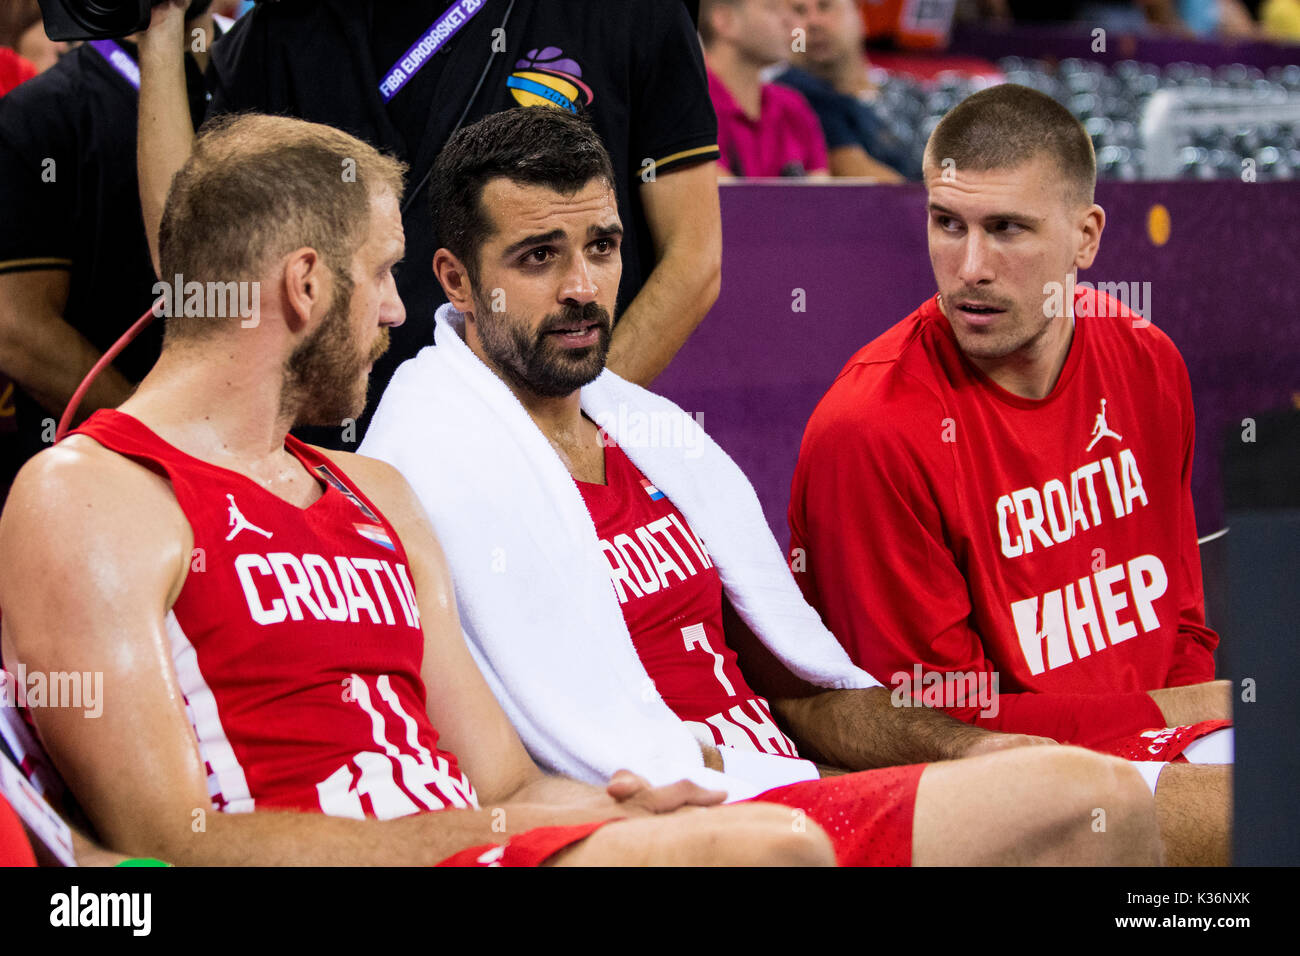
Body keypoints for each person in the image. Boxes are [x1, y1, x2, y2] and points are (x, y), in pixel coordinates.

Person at [0, 112, 838, 868]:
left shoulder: (377, 492)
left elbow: (507, 790)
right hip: (420, 855)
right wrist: (542, 838)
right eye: (383, 274)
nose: (399, 313)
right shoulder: (89, 495)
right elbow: (164, 844)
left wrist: (634, 809)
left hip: (478, 845)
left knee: (793, 830)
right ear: (306, 286)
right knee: (772, 852)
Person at [360, 105, 1166, 866]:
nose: (582, 286)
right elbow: (490, 771)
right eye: (539, 256)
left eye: (602, 248)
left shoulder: (653, 436)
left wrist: (967, 749)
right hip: (717, 824)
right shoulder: (428, 473)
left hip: (803, 787)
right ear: (457, 281)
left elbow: (805, 693)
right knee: (1094, 800)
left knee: (1135, 798)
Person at [788, 83, 1232, 863]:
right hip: (1009, 787)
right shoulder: (871, 429)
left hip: (1170, 742)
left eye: (1007, 231)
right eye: (946, 224)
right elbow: (941, 728)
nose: (970, 268)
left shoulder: (1147, 358)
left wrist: (1191, 721)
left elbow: (1182, 621)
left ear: (1085, 237)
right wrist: (1182, 709)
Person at [138, 0, 723, 460]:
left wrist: (553, 436)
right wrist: (161, 29)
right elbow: (194, 265)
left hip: (547, 455)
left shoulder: (629, 13)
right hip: (339, 465)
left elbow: (694, 260)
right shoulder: (283, 29)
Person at [0, 2, 215, 503]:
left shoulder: (266, 64)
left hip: (266, 459)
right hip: (104, 480)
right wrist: (162, 442)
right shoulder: (43, 111)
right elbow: (17, 328)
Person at [775, 0, 914, 181]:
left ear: (859, 13)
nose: (814, 22)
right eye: (799, 11)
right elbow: (856, 171)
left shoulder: (910, 89)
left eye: (825, 6)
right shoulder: (791, 94)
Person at [699, 0, 830, 178]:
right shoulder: (687, 105)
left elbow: (821, 198)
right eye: (772, 8)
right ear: (724, 20)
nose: (793, 22)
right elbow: (718, 199)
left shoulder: (793, 106)